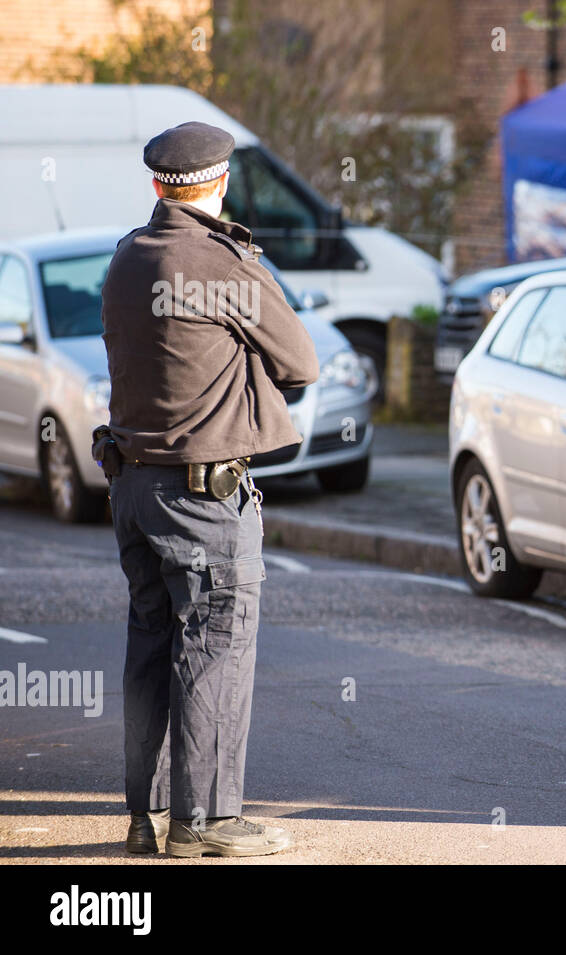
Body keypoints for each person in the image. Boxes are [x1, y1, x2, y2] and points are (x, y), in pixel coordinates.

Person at [95, 121, 318, 857]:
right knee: (215, 648)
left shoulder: (128, 256)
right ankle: (208, 822)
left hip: (132, 487)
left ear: (158, 185)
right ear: (219, 184)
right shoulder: (224, 263)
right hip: (202, 497)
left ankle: (145, 817)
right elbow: (300, 362)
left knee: (150, 651)